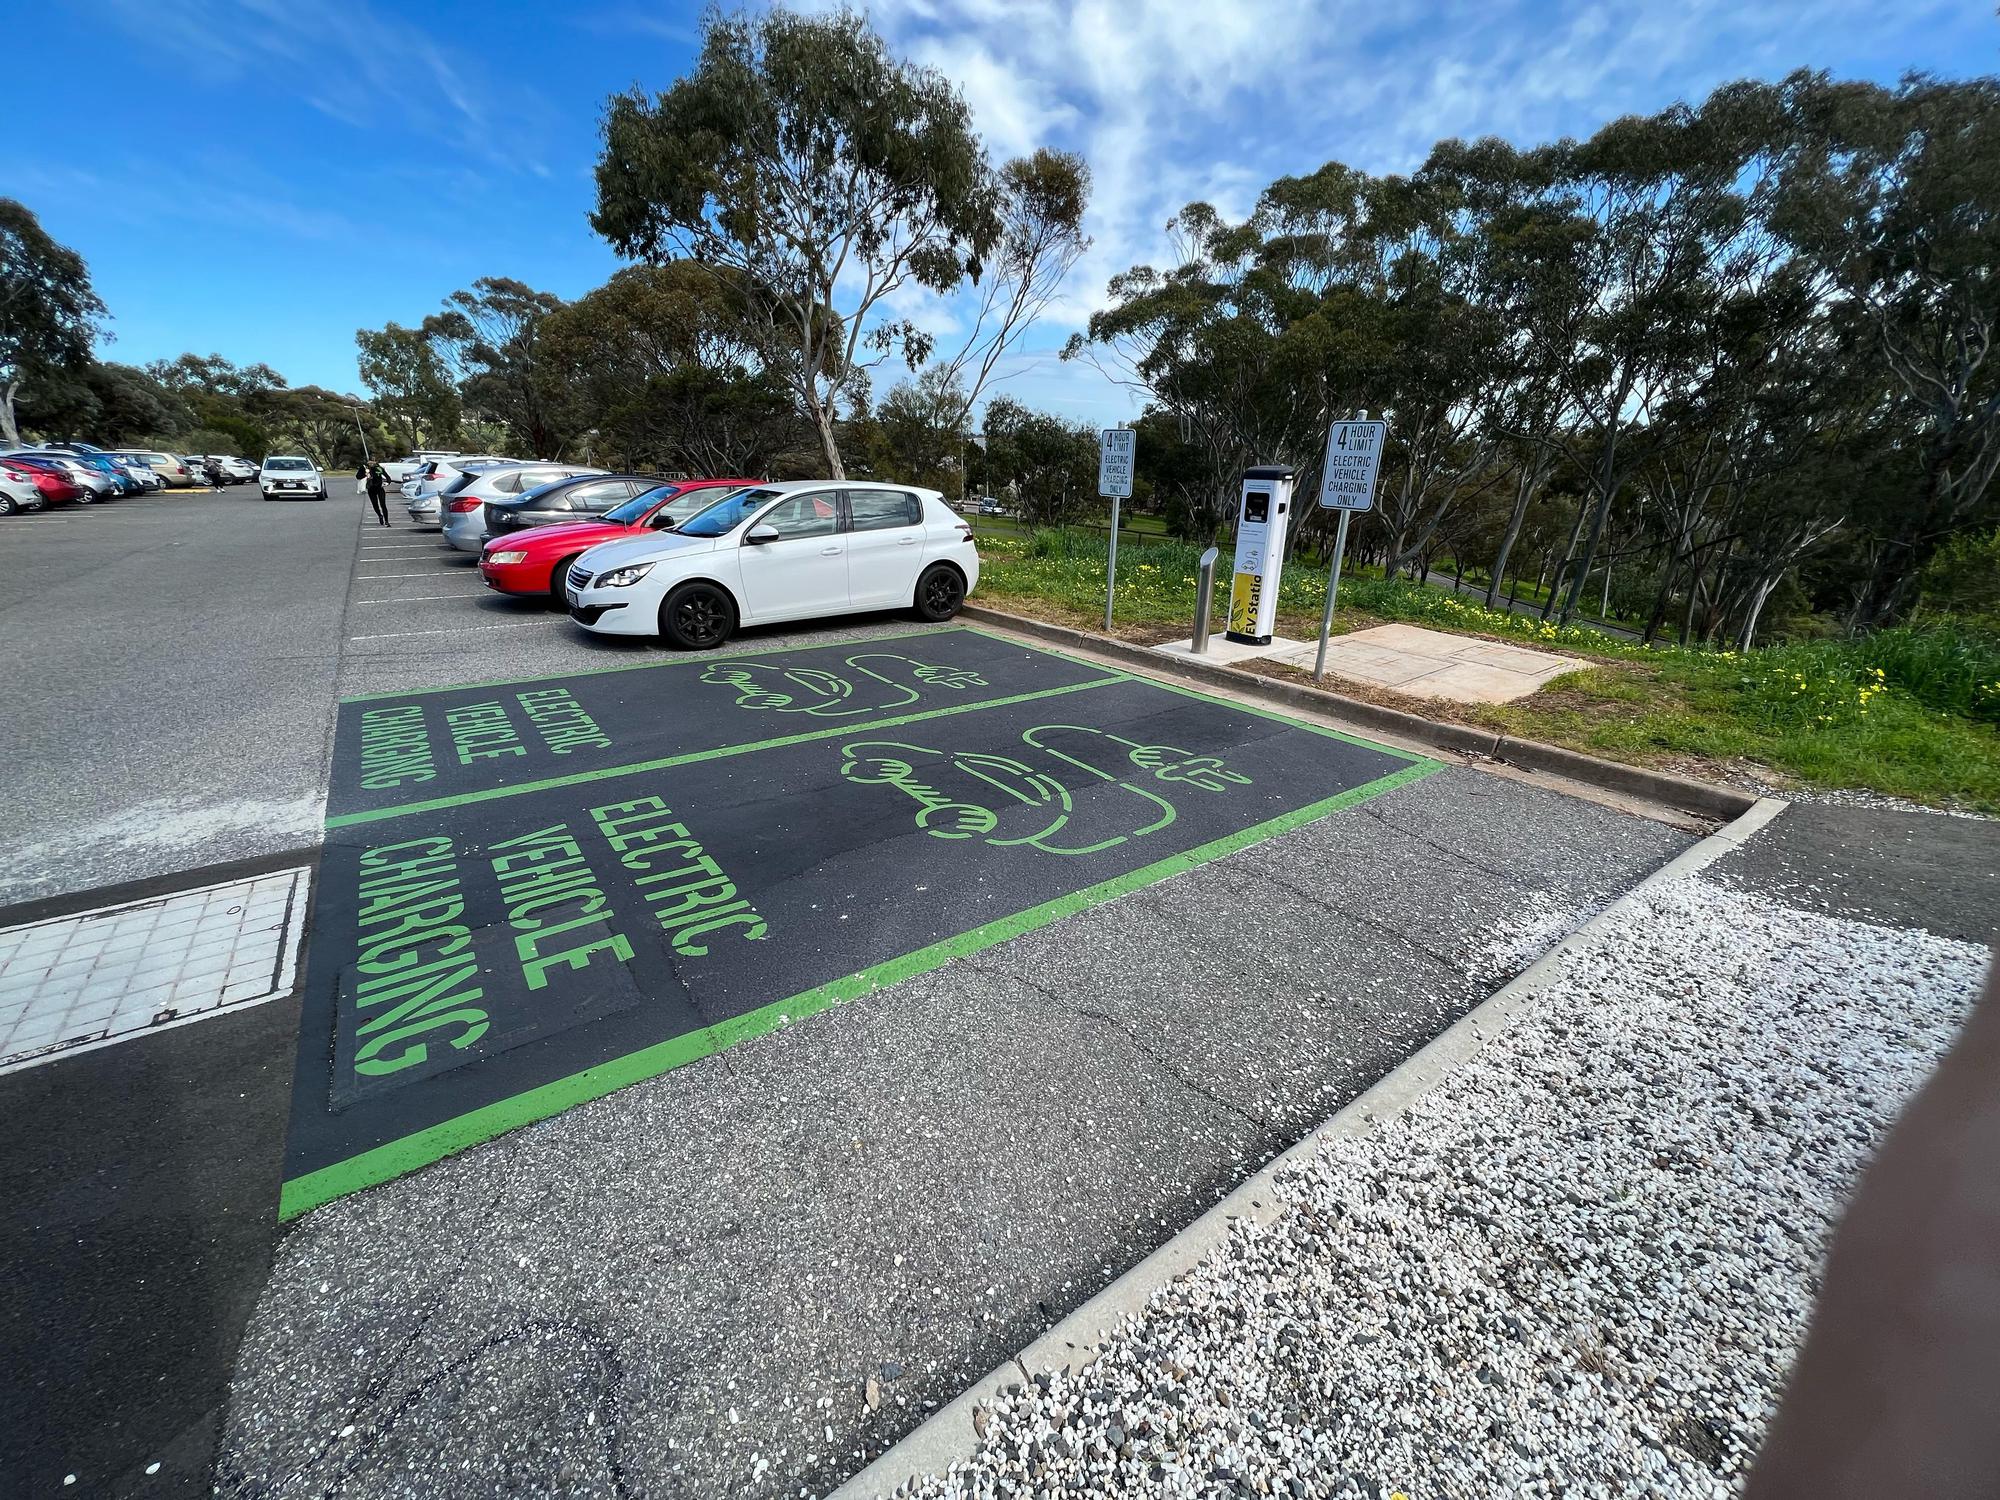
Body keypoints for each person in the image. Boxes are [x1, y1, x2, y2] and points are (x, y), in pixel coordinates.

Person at [364, 463, 389, 527]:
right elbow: (358, 476)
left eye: (373, 462)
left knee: (383, 504)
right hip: (371, 489)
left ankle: (386, 521)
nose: (371, 463)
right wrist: (365, 476)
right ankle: (380, 515)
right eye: (370, 462)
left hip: (380, 489)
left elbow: (388, 478)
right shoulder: (366, 469)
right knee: (375, 505)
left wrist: (386, 483)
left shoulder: (379, 468)